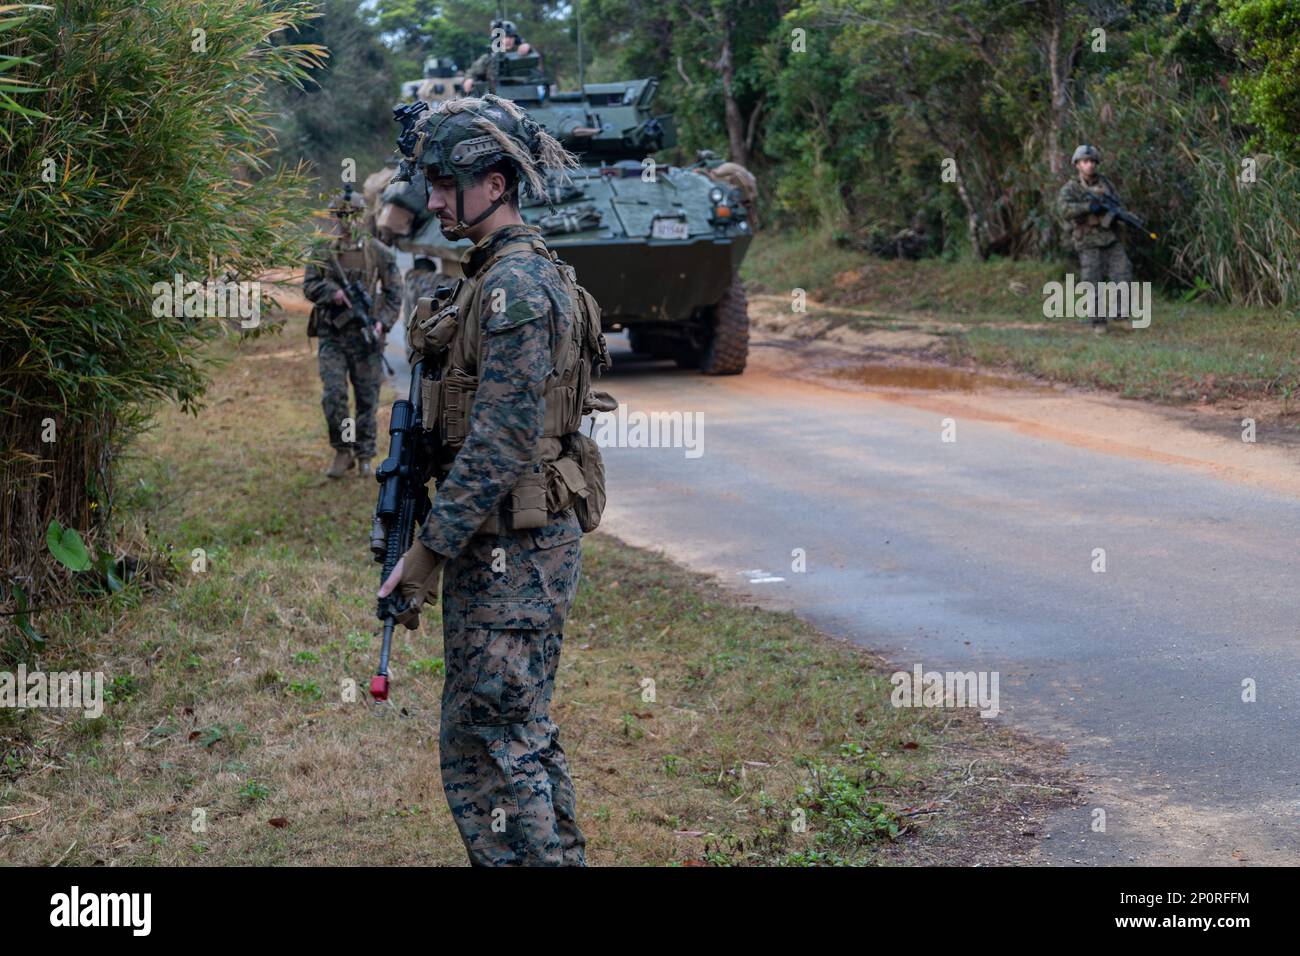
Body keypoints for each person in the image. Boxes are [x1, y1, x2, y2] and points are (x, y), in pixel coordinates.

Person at [378, 94, 609, 867]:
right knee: (507, 739)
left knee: (500, 747)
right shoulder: (497, 276)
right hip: (502, 546)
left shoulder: (515, 288)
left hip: (518, 551)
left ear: (498, 183)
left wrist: (427, 556)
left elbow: (504, 440)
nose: (434, 200)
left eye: (447, 184)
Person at [302, 186, 403, 478]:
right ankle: (342, 450)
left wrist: (382, 321)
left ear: (363, 216)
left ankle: (365, 455)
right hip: (332, 334)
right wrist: (330, 292)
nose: (347, 221)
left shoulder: (378, 252)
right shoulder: (322, 251)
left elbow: (395, 292)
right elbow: (309, 286)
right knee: (334, 395)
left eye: (353, 215)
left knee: (367, 398)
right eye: (341, 215)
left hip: (366, 337)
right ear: (334, 217)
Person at [1056, 144, 1134, 332]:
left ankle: (1120, 316)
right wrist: (1087, 207)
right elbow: (1062, 210)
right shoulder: (1071, 188)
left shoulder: (1105, 183)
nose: (1089, 165)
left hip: (1109, 237)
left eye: (1092, 161)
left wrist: (1118, 214)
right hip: (1087, 240)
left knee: (1123, 273)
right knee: (1092, 281)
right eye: (1085, 161)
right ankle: (1098, 322)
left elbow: (1117, 202)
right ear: (1077, 164)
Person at [462, 19, 535, 93]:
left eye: (511, 37)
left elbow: (533, 61)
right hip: (496, 97)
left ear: (515, 39)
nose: (508, 40)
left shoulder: (522, 53)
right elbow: (472, 71)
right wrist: (469, 79)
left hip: (522, 95)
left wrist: (528, 48)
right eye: (505, 37)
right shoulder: (489, 57)